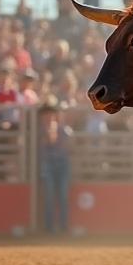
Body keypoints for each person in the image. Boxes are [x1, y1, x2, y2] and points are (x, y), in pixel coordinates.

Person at [37, 100, 73, 235]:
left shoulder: (63, 129)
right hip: (48, 164)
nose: (49, 117)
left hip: (61, 164)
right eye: (46, 114)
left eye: (51, 114)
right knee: (49, 195)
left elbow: (67, 147)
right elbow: (47, 143)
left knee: (63, 195)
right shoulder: (40, 130)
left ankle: (63, 226)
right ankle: (50, 226)